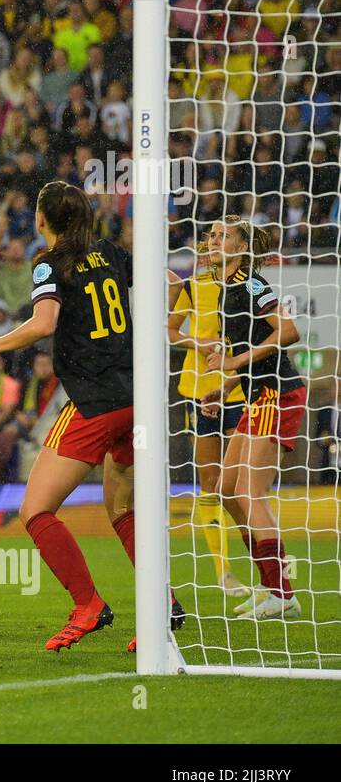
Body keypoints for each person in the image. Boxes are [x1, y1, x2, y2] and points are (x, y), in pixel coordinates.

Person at [0, 182, 182, 653]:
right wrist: (163, 332)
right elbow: (173, 283)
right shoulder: (110, 252)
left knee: (35, 510)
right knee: (121, 509)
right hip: (138, 396)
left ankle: (88, 606)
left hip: (95, 401)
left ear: (42, 219)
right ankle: (166, 604)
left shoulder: (50, 264)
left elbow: (44, 324)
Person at [201, 217, 307, 620]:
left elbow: (289, 331)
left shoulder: (251, 283)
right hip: (255, 395)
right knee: (227, 491)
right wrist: (225, 387)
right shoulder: (225, 289)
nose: (214, 240)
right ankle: (270, 587)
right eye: (211, 235)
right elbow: (244, 352)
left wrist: (236, 361)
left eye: (224, 235)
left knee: (249, 491)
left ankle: (283, 594)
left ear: (242, 246)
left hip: (279, 393)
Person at [168, 239, 251, 597]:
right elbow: (170, 331)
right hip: (200, 392)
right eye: (203, 250)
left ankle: (267, 566)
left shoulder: (247, 285)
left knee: (244, 485)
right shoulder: (192, 287)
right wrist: (196, 343)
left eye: (212, 247)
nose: (206, 256)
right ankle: (224, 571)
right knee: (211, 482)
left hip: (238, 391)